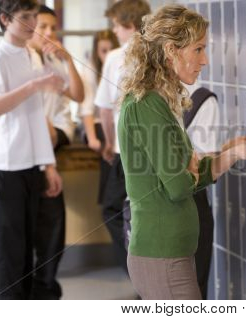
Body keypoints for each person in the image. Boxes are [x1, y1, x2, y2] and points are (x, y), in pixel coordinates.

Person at [118, 4, 246, 300]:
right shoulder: (148, 104)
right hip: (161, 256)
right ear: (171, 50)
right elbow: (179, 186)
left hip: (173, 253)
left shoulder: (162, 100)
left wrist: (236, 153)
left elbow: (194, 174)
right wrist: (189, 167)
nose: (205, 59)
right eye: (198, 49)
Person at [0, 0, 63, 299]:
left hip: (31, 165)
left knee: (26, 255)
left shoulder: (29, 56)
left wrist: (48, 164)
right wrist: (33, 87)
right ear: (5, 20)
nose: (33, 23)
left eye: (35, 16)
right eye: (26, 18)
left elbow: (37, 119)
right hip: (5, 167)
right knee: (7, 254)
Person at [27, 4, 85, 299]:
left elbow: (77, 95)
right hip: (31, 148)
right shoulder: (21, 61)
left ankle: (46, 286)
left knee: (52, 225)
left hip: (53, 140)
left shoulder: (52, 60)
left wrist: (69, 61)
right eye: (43, 27)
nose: (50, 33)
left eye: (53, 28)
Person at [94, 0, 151, 273]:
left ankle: (137, 265)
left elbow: (105, 110)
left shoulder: (116, 57)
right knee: (144, 208)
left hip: (124, 149)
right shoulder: (158, 50)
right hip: (153, 149)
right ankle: (147, 266)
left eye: (116, 25)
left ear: (129, 25)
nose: (114, 31)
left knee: (112, 209)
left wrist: (108, 142)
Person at [183, 82, 220, 299]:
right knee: (193, 288)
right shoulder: (203, 99)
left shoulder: (145, 96)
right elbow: (207, 164)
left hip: (151, 211)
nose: (205, 59)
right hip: (192, 204)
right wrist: (233, 153)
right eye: (198, 49)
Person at [79, 30, 119, 205]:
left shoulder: (120, 66)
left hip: (112, 123)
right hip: (95, 124)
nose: (107, 55)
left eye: (111, 50)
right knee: (106, 140)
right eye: (103, 51)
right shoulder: (90, 71)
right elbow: (87, 110)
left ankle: (111, 198)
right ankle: (109, 198)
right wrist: (92, 138)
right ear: (96, 51)